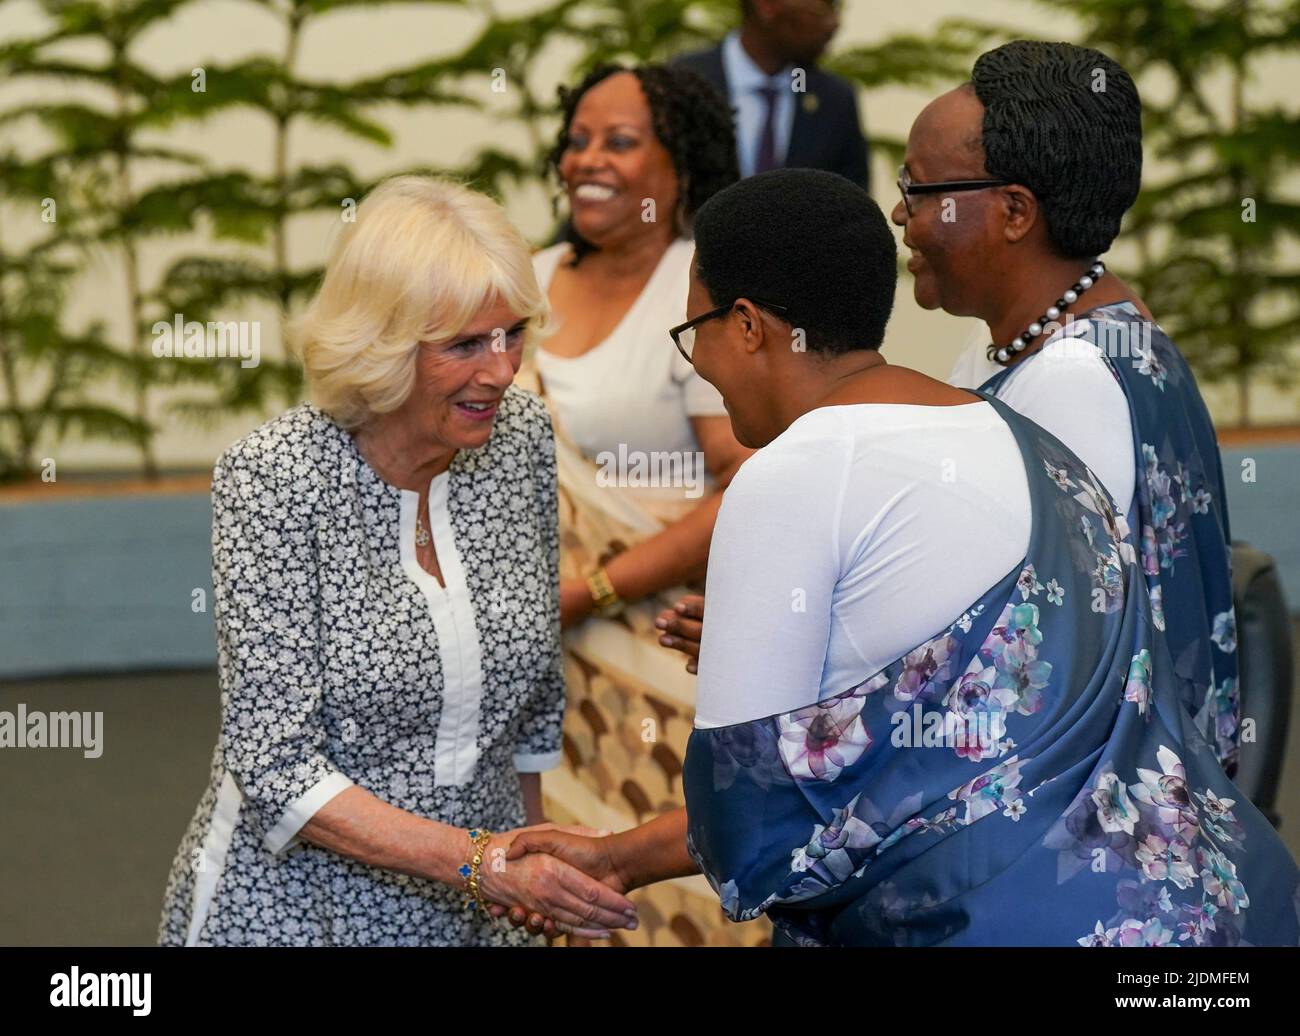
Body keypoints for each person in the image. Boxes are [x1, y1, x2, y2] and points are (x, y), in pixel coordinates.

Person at [500, 169, 1300, 947]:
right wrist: (616, 854)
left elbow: (754, 818)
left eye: (693, 334)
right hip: (1216, 899)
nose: (693, 364)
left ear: (748, 326)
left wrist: (612, 856)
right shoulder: (1024, 438)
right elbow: (954, 732)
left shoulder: (791, 472)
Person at [157, 175, 638, 946]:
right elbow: (276, 769)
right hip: (298, 912)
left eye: (512, 332)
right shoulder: (274, 478)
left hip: (481, 905)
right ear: (379, 344)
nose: (503, 369)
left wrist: (541, 880)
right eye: (464, 346)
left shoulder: (519, 436)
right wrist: (484, 865)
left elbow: (534, 691)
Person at [892, 40, 1238, 771]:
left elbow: (1039, 656)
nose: (899, 213)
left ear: (1015, 212)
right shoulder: (1047, 349)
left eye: (918, 190)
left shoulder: (1072, 381)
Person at [520, 63, 763, 946]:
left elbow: (744, 484)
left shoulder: (693, 290)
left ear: (681, 169)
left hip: (665, 646)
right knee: (553, 879)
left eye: (621, 141)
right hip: (535, 657)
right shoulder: (523, 282)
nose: (590, 159)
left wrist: (593, 591)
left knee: (667, 897)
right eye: (578, 139)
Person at [674, 0, 869, 189]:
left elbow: (856, 209)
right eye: (822, 7)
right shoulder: (681, 85)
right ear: (767, 5)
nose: (834, 24)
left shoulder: (834, 100)